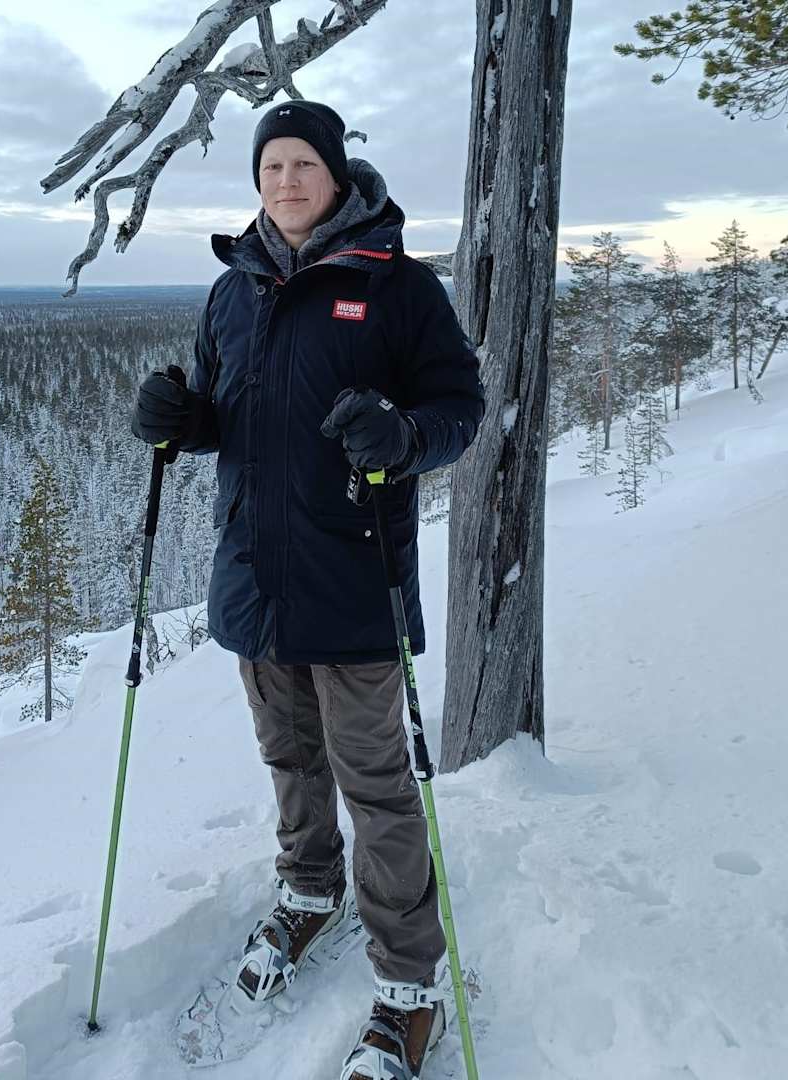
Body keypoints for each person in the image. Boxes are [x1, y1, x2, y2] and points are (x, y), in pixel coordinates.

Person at [131, 100, 485, 1079]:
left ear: (336, 176)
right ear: (257, 181)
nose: (286, 181)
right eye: (271, 166)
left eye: (303, 165)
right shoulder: (233, 291)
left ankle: (409, 980)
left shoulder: (398, 286)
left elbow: (460, 405)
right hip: (253, 578)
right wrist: (177, 419)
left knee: (376, 786)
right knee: (289, 759)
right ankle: (308, 891)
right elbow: (223, 416)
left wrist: (407, 436)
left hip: (353, 580)